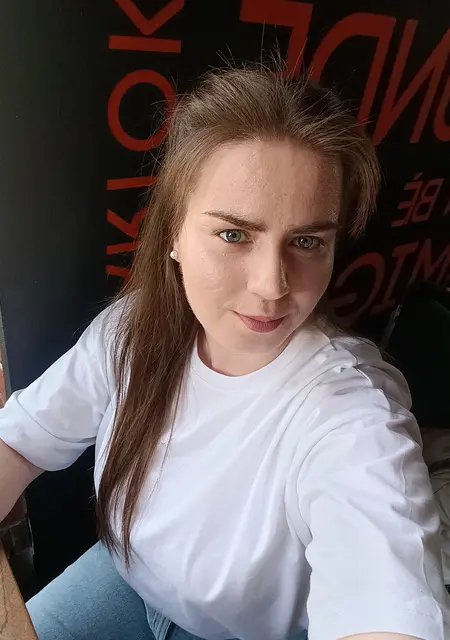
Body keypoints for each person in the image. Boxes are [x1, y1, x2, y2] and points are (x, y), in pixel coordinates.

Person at [0, 64, 448, 640]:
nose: (272, 285)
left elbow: (385, 593)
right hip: (125, 577)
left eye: (306, 241)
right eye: (234, 234)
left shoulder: (350, 411)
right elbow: (19, 440)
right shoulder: (132, 328)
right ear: (174, 234)